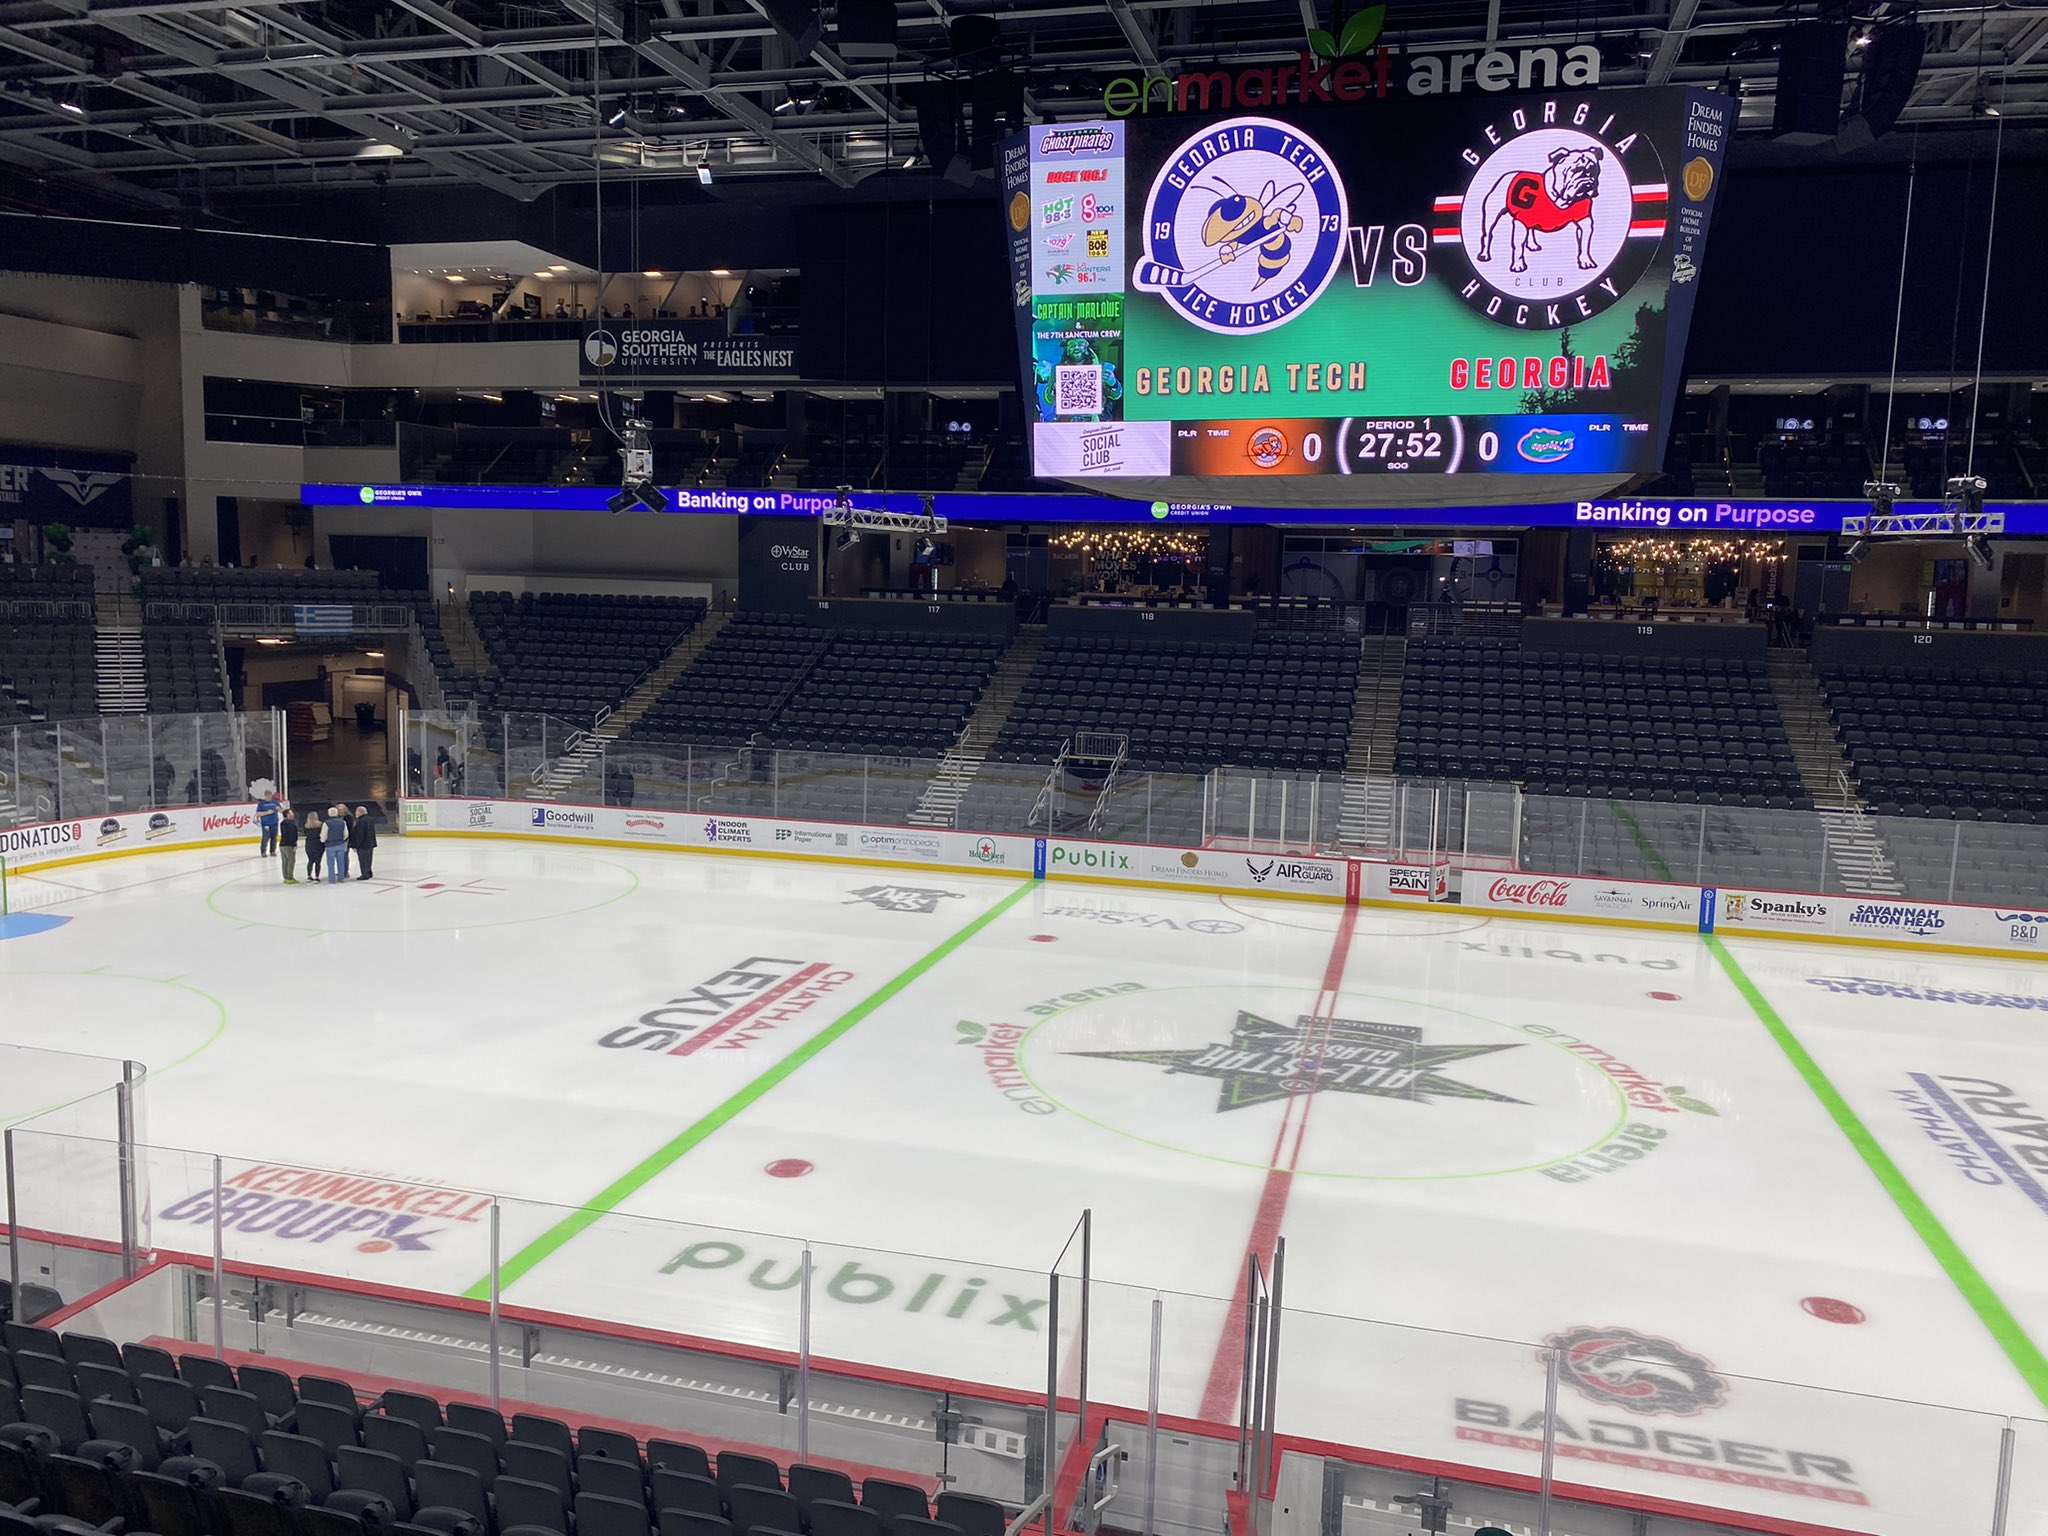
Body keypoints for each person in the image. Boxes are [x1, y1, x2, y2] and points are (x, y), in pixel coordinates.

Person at [349, 805, 378, 880]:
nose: (355, 813)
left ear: (360, 812)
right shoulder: (370, 819)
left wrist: (355, 845)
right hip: (370, 843)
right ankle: (369, 872)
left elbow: (359, 835)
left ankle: (365, 874)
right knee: (368, 859)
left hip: (363, 845)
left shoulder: (361, 822)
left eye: (356, 811)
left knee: (363, 860)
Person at [324, 805, 351, 883]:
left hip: (330, 845)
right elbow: (346, 833)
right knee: (341, 861)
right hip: (340, 843)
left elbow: (324, 834)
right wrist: (342, 839)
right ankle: (341, 877)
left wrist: (324, 841)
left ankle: (332, 879)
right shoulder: (342, 822)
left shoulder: (327, 823)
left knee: (331, 862)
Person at [278, 804, 300, 884]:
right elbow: (292, 835)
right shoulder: (290, 824)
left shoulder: (282, 823)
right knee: (291, 861)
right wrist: (294, 844)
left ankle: (286, 877)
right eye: (291, 813)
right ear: (287, 815)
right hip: (289, 845)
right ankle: (290, 877)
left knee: (285, 861)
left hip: (282, 844)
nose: (293, 814)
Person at [256, 787, 280, 858]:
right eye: (268, 795)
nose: (269, 797)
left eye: (270, 795)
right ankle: (263, 851)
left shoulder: (275, 803)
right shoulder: (261, 804)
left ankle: (273, 851)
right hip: (266, 824)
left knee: (274, 837)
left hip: (274, 823)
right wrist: (268, 812)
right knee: (266, 837)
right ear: (265, 796)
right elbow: (258, 814)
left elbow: (281, 810)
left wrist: (280, 810)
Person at [302, 811, 322, 882]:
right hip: (318, 844)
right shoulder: (320, 825)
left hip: (309, 844)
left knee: (310, 860)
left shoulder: (306, 826)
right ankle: (317, 876)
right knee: (318, 861)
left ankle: (309, 875)